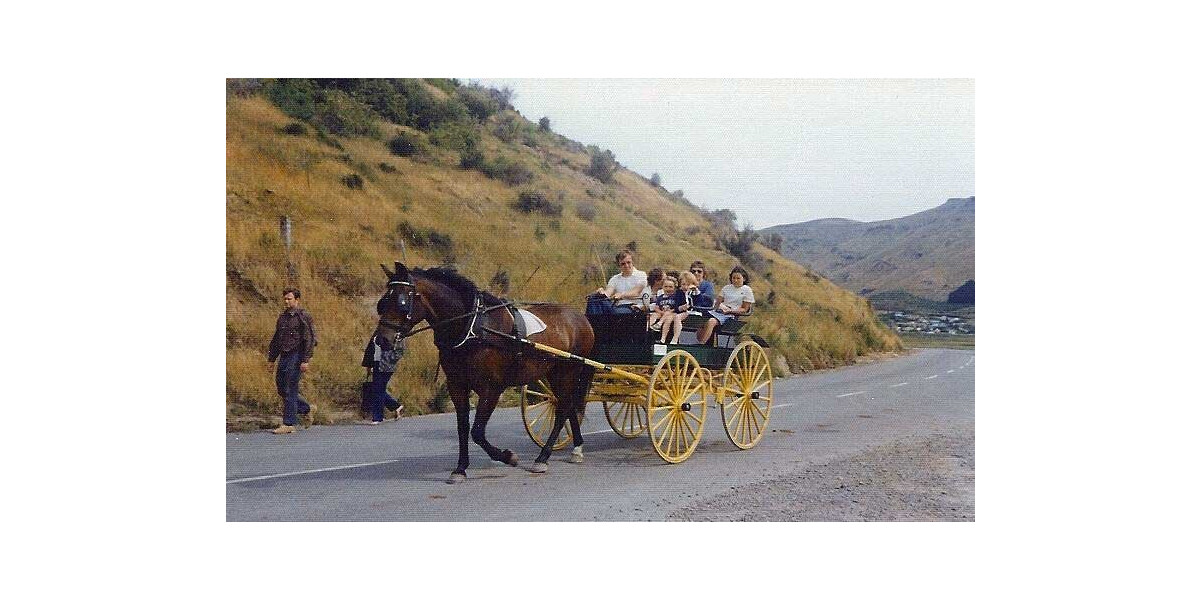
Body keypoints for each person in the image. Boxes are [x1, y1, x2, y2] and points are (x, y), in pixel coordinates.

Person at [267, 287, 317, 434]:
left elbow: (310, 339)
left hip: (297, 355)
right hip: (284, 355)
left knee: (290, 387)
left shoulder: (303, 316)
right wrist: (271, 359)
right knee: (281, 387)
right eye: (285, 299)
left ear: (297, 300)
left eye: (289, 299)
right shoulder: (282, 317)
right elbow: (276, 339)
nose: (286, 301)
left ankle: (289, 424)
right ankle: (306, 409)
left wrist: (306, 359)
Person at [696, 266, 755, 345]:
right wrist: (718, 307)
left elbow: (744, 309)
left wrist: (730, 311)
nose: (735, 280)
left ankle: (701, 344)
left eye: (738, 278)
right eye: (733, 278)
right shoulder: (727, 288)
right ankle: (701, 341)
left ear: (743, 279)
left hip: (732, 315)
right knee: (700, 318)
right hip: (720, 311)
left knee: (711, 321)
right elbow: (718, 302)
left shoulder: (747, 290)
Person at [361, 333, 405, 424]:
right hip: (382, 365)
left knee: (377, 390)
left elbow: (399, 352)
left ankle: (377, 417)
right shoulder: (380, 334)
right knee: (378, 390)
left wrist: (386, 359)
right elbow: (372, 350)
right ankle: (395, 406)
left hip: (383, 365)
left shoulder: (395, 335)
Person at [587, 250, 647, 315]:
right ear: (619, 265)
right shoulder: (615, 279)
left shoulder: (641, 275)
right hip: (617, 307)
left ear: (632, 262)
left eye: (628, 262)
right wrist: (601, 292)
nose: (626, 265)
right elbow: (608, 293)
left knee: (615, 312)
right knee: (593, 298)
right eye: (623, 264)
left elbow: (636, 292)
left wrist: (621, 295)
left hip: (634, 307)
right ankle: (593, 320)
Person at [655, 276, 690, 344]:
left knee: (673, 316)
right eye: (683, 284)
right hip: (673, 312)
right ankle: (662, 339)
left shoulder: (678, 294)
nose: (685, 287)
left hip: (681, 313)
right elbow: (676, 306)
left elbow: (677, 306)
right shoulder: (678, 293)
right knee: (668, 319)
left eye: (670, 287)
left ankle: (674, 339)